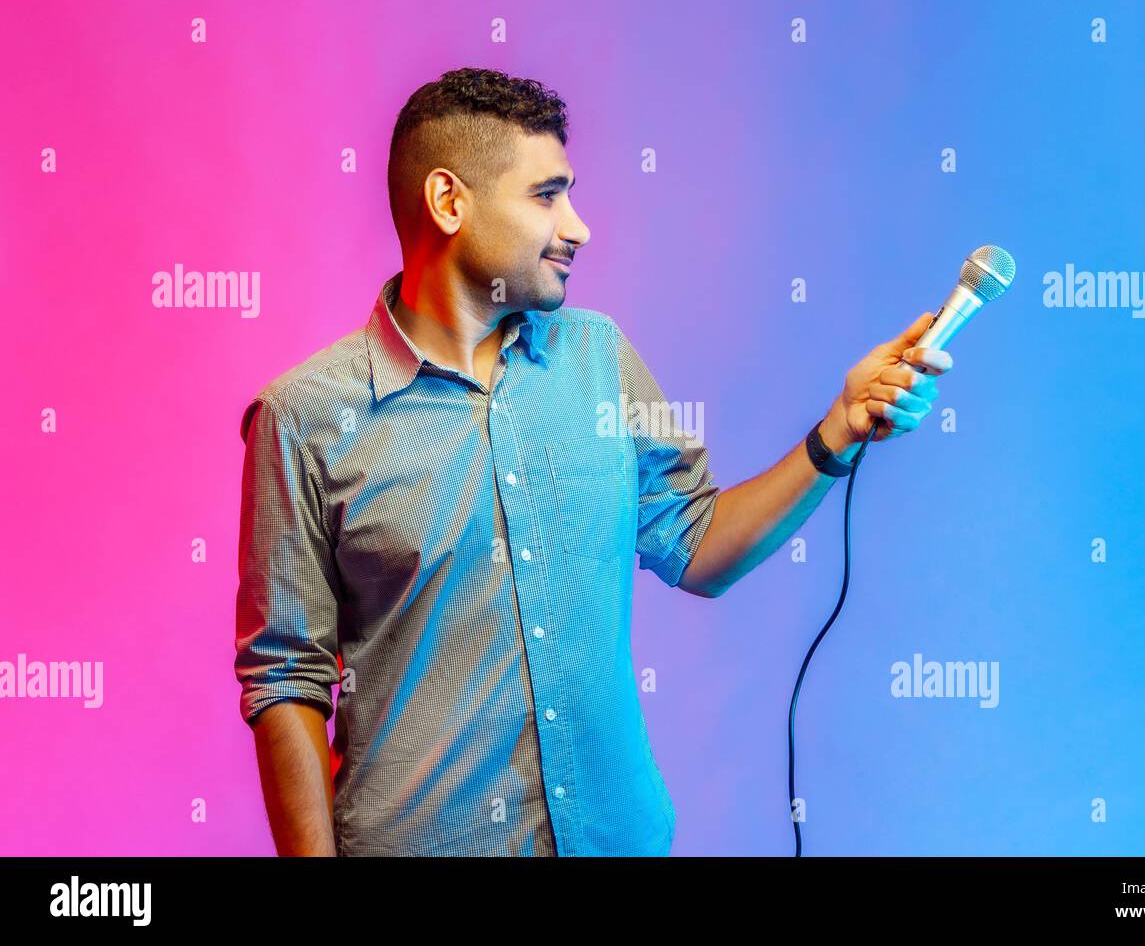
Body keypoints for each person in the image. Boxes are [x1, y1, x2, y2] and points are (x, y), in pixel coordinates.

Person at [234, 66, 952, 856]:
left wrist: (838, 431)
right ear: (449, 202)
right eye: (547, 196)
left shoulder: (601, 358)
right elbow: (285, 679)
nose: (578, 227)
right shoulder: (302, 418)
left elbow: (699, 543)